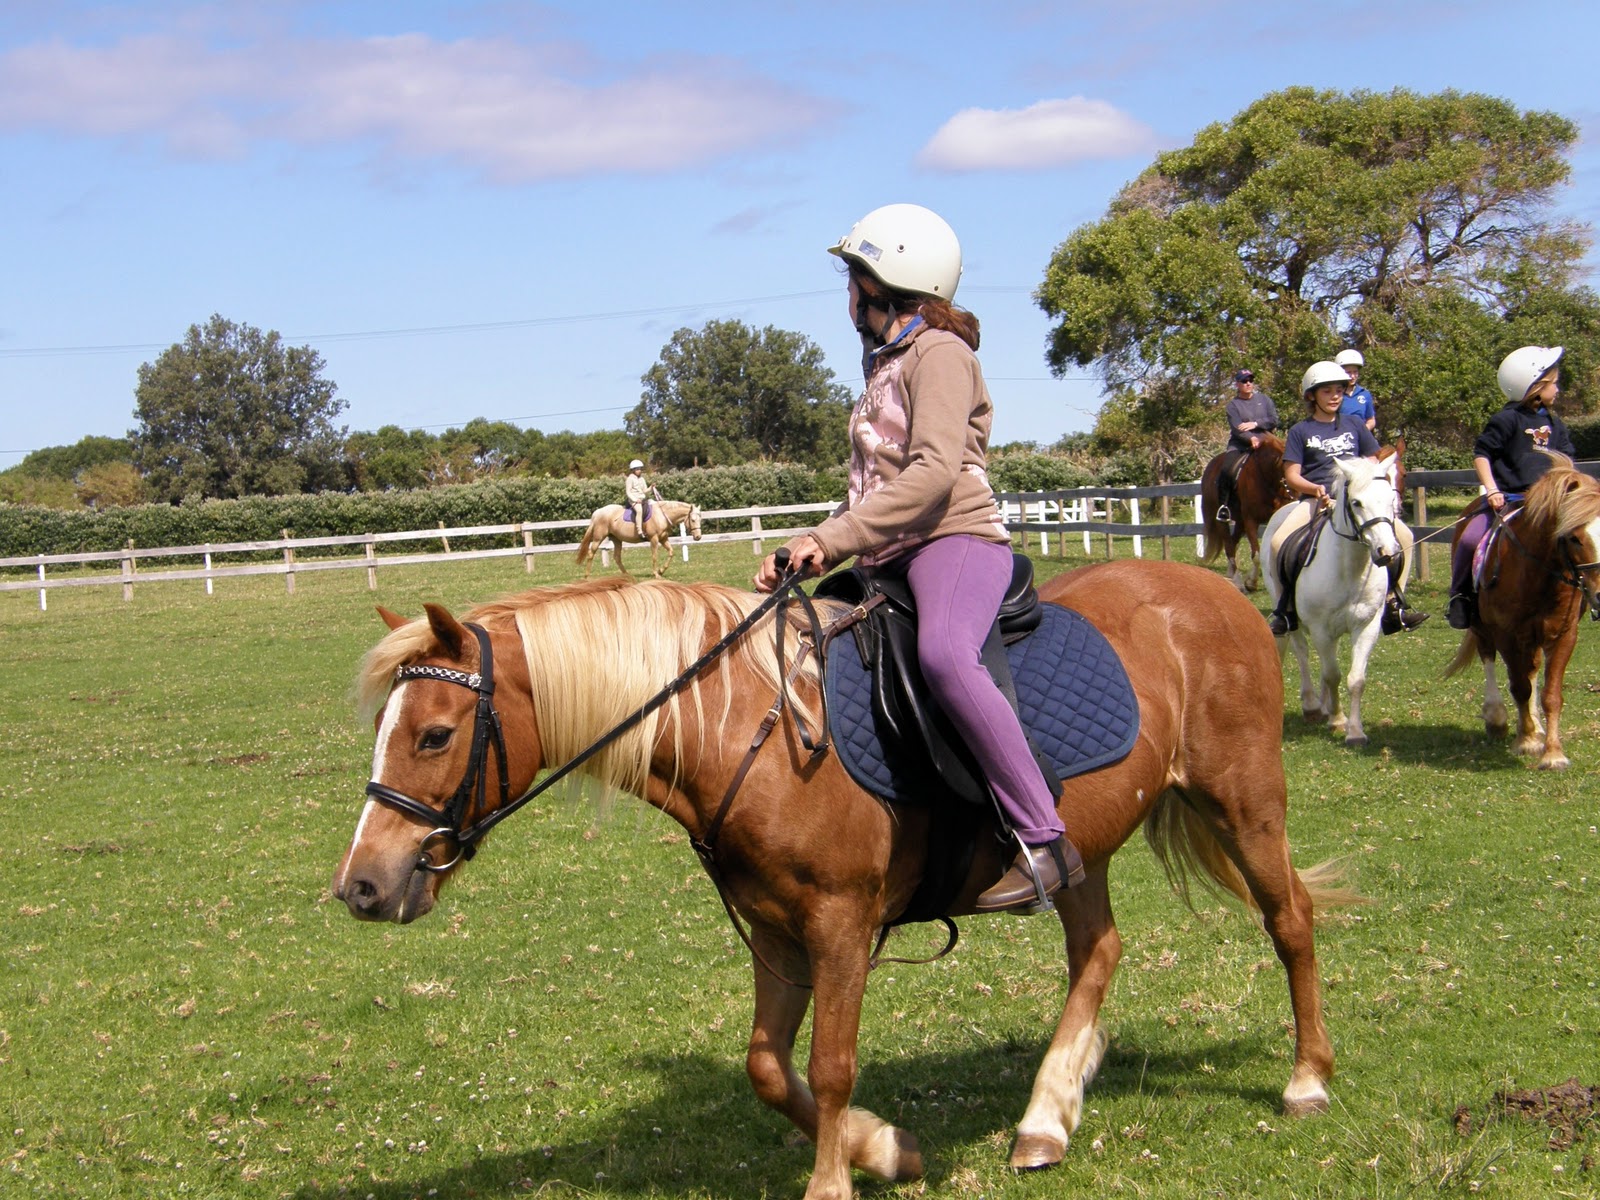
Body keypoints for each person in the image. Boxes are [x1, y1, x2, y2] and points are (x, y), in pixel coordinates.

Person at [753, 202, 1080, 915]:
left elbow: (931, 476)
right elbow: (872, 488)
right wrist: (806, 544)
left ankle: (1043, 838)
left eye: (852, 281)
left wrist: (833, 539)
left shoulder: (941, 354)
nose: (847, 297)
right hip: (888, 553)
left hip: (953, 539)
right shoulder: (886, 362)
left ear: (881, 287)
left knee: (944, 657)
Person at [1265, 361, 1428, 637]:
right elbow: (1292, 475)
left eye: (1339, 390)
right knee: (1279, 540)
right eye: (1327, 391)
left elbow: (1373, 459)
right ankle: (1285, 609)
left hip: (1355, 502)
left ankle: (1393, 601)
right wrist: (1315, 488)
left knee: (1405, 536)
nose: (1335, 396)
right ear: (1311, 396)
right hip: (1316, 500)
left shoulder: (1354, 424)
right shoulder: (1300, 431)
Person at [1446, 346, 1576, 629]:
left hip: (1546, 505)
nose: (1558, 389)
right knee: (1469, 538)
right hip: (1507, 501)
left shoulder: (1555, 424)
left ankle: (1588, 593)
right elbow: (1482, 455)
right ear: (1534, 386)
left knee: (1584, 537)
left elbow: (1567, 463)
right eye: (1553, 383)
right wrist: (1492, 490)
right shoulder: (1505, 420)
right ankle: (1460, 596)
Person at [1218, 368, 1279, 516]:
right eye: (1244, 381)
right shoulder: (1233, 405)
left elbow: (1274, 420)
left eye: (1250, 380)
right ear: (1237, 384)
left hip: (1266, 441)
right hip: (1241, 444)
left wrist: (1255, 424)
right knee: (1226, 470)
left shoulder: (1264, 400)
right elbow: (1237, 428)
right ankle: (1224, 506)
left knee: (1284, 462)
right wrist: (1251, 438)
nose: (1248, 383)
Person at [1335, 349, 1377, 434]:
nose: (1353, 376)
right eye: (1348, 372)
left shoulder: (1365, 394)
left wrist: (1363, 430)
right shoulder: (1335, 395)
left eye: (1355, 372)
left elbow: (1371, 419)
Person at [624, 459, 653, 530]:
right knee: (639, 510)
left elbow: (644, 490)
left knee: (654, 505)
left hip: (642, 499)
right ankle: (639, 529)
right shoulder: (630, 479)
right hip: (634, 500)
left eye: (640, 469)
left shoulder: (642, 479)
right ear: (633, 470)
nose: (639, 470)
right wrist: (635, 500)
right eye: (637, 469)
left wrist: (651, 487)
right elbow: (628, 492)